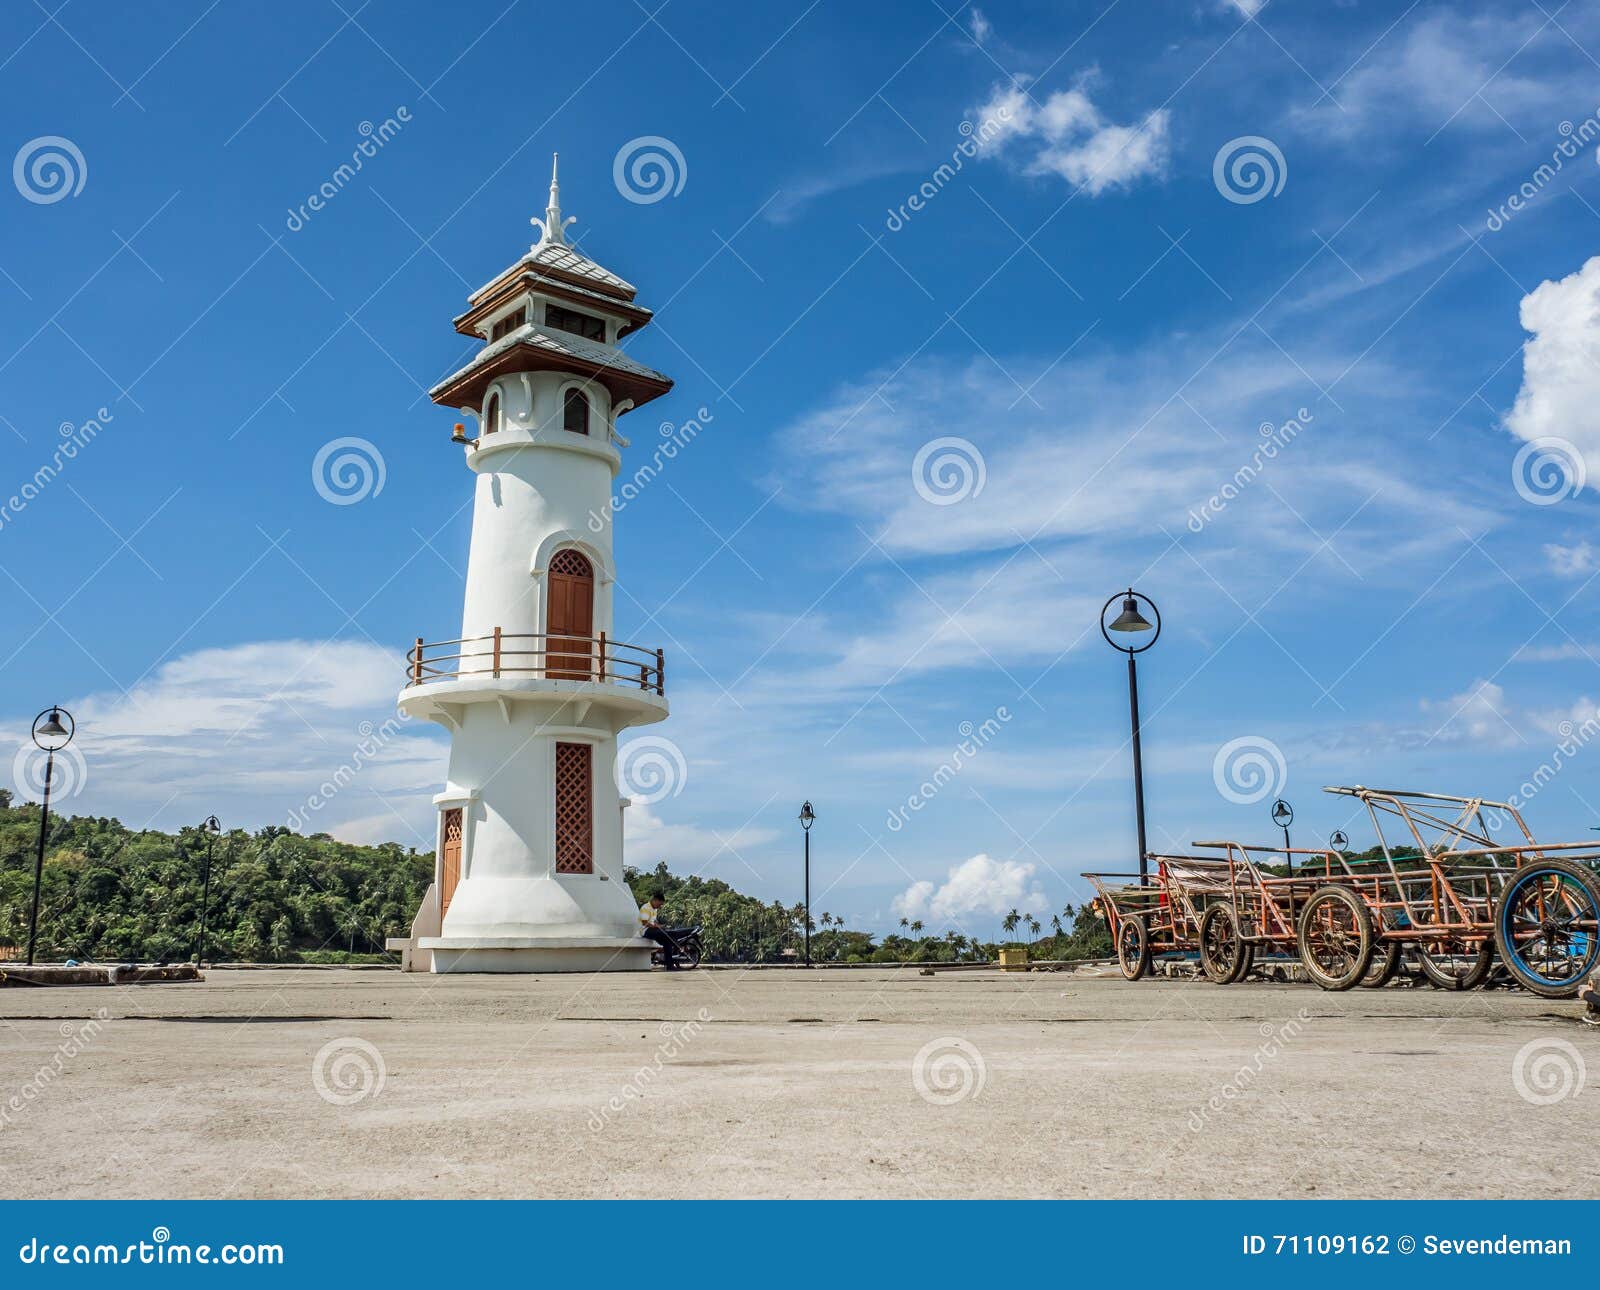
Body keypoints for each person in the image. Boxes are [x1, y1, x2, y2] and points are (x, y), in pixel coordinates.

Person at [639, 890, 678, 970]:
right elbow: (645, 923)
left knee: (668, 942)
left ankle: (670, 965)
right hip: (645, 931)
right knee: (667, 935)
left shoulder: (655, 909)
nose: (660, 906)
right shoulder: (645, 907)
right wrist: (659, 927)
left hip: (653, 931)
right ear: (655, 900)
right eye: (659, 904)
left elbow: (654, 921)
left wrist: (662, 926)